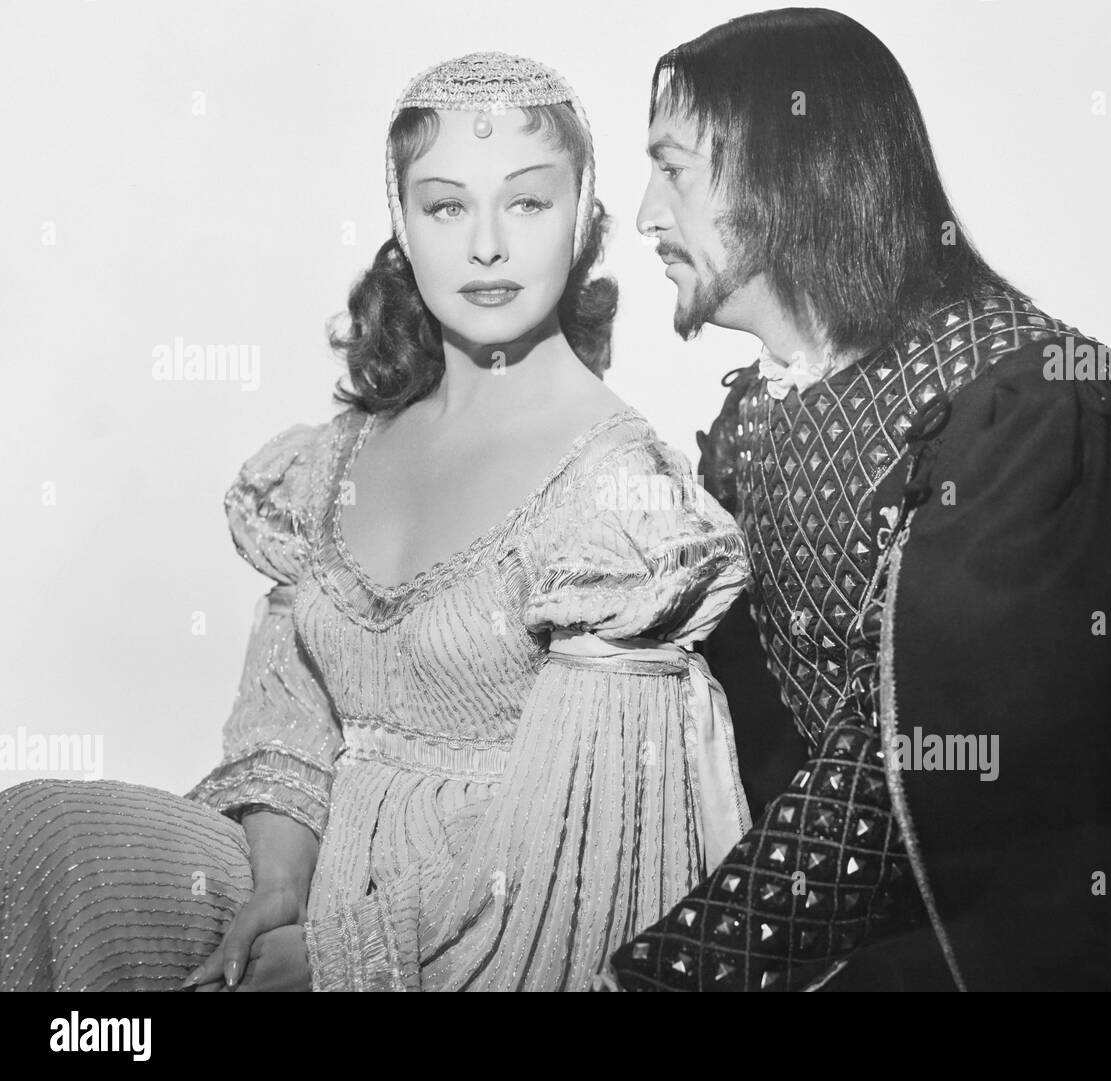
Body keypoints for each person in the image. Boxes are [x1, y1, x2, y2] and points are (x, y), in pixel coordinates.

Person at [0, 51, 751, 992]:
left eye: (526, 203)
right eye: (446, 205)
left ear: (582, 215)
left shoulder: (619, 499)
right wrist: (279, 885)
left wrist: (339, 960)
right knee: (39, 837)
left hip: (480, 933)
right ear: (401, 221)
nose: (486, 246)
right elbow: (288, 723)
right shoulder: (335, 461)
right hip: (312, 870)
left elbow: (582, 856)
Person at [606, 8, 1111, 991]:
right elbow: (727, 738)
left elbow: (914, 762)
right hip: (831, 957)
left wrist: (662, 974)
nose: (646, 213)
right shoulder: (754, 422)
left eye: (675, 169)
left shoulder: (1025, 404)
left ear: (794, 170)